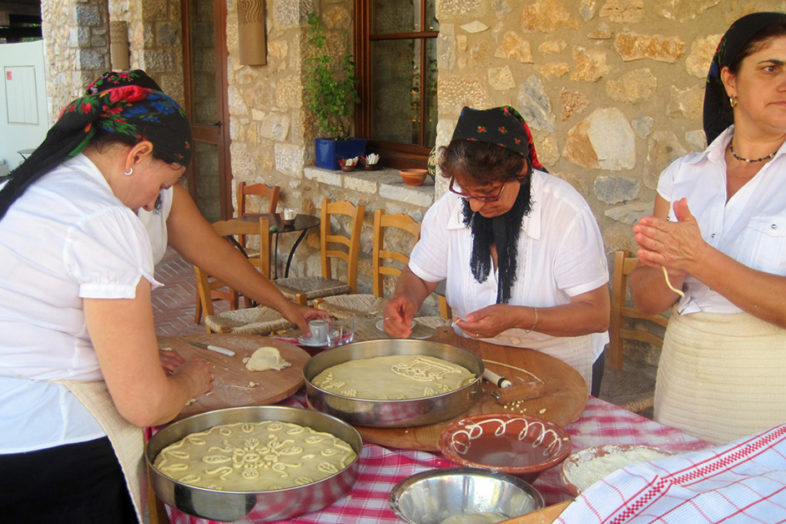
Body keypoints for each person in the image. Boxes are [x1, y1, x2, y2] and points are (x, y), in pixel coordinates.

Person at [0, 85, 216, 522]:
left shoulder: (30, 188)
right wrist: (193, 381)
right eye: (164, 184)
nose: (155, 201)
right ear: (137, 154)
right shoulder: (104, 219)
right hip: (57, 452)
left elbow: (39, 319)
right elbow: (145, 404)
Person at [629, 12, 786, 444]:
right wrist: (674, 267)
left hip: (769, 392)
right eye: (771, 68)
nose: (784, 82)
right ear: (731, 82)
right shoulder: (683, 175)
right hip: (686, 381)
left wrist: (699, 257)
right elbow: (645, 297)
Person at [384, 106, 610, 391]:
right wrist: (406, 299)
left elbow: (597, 314)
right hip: (478, 360)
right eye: (467, 192)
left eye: (489, 193)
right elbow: (419, 276)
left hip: (560, 365)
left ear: (521, 170)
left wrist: (519, 318)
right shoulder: (450, 209)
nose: (476, 205)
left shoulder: (565, 212)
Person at [86, 70, 326, 334]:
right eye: (162, 184)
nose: (150, 204)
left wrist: (286, 306)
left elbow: (218, 255)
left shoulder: (164, 195)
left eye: (166, 186)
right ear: (138, 154)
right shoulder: (88, 212)